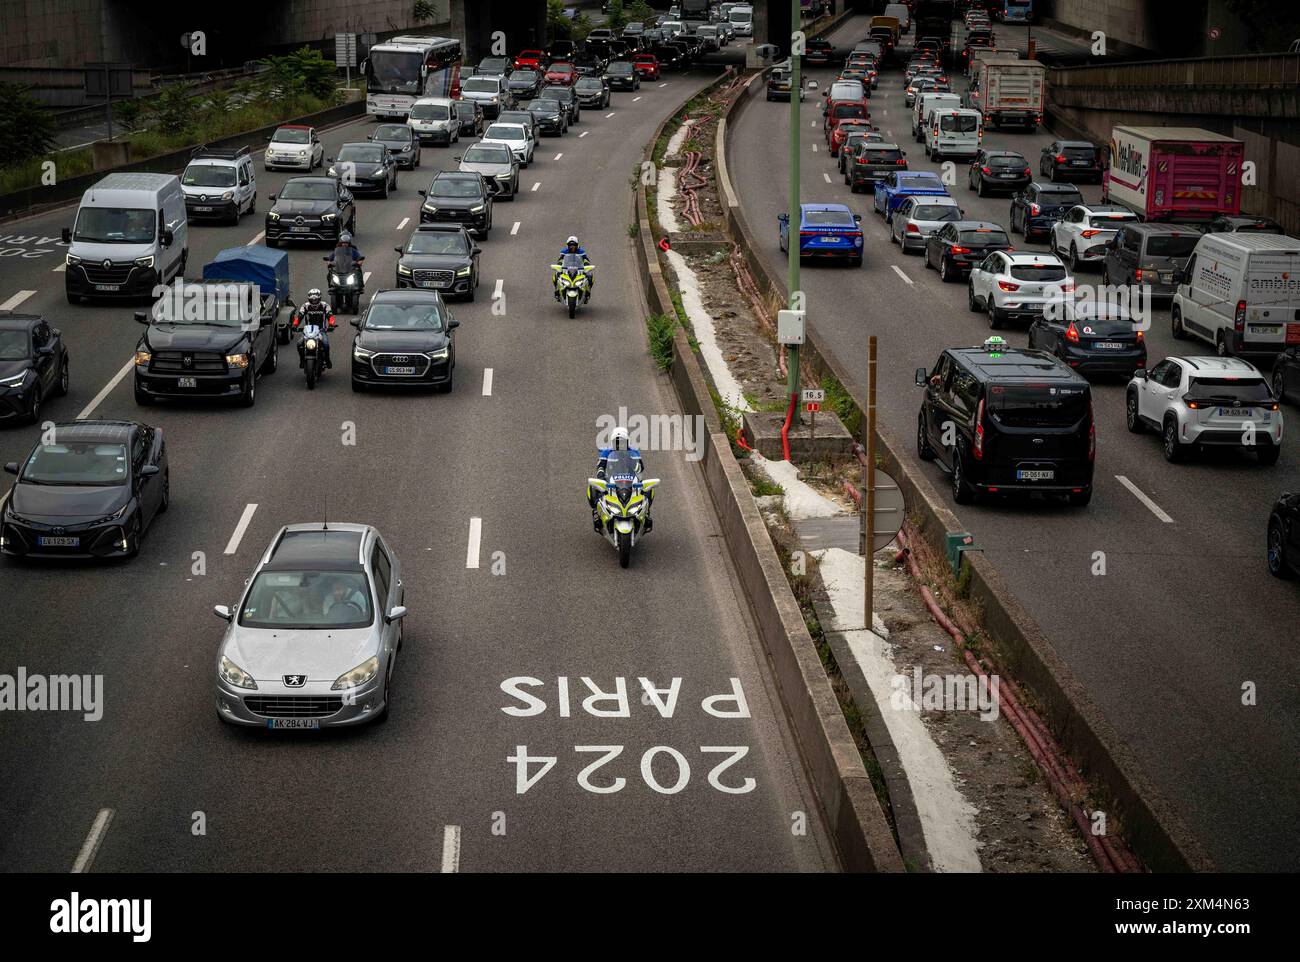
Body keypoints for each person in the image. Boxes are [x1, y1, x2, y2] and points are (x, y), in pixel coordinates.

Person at [588, 427, 650, 532]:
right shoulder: (606, 451)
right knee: (593, 488)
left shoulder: (634, 451)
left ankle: (646, 514)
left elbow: (640, 467)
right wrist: (601, 475)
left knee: (648, 489)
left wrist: (637, 472)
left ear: (627, 442)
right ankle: (598, 514)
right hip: (611, 479)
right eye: (616, 442)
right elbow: (600, 466)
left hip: (630, 480)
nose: (619, 444)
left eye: (621, 442)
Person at [297, 288, 336, 368]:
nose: (314, 302)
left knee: (326, 344)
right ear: (309, 299)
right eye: (312, 300)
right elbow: (299, 317)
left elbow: (330, 317)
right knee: (299, 344)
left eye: (316, 300)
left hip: (321, 331)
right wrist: (294, 325)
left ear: (320, 298)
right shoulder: (305, 306)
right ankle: (301, 359)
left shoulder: (325, 305)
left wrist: (331, 324)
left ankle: (327, 359)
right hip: (308, 331)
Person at [556, 235, 594, 302]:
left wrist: (586, 264)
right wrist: (559, 264)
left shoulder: (581, 251)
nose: (572, 246)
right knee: (556, 275)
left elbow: (585, 259)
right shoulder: (564, 251)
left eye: (574, 245)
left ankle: (587, 294)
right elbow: (561, 259)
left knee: (590, 277)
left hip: (579, 268)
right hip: (566, 268)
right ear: (567, 245)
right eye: (570, 245)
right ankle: (557, 292)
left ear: (577, 245)